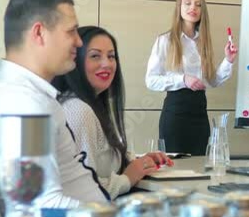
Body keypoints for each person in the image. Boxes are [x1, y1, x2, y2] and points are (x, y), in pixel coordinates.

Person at [0, 0, 108, 209]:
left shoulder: (20, 93)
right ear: (39, 33)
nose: (78, 41)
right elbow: (40, 206)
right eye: (71, 31)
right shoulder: (23, 105)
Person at [52, 26, 171, 199]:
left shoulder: (93, 105)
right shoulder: (78, 110)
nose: (107, 64)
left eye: (111, 56)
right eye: (95, 56)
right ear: (74, 62)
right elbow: (84, 192)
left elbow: (100, 165)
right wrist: (127, 179)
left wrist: (136, 163)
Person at [146, 0, 238, 155]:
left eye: (198, 5)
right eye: (187, 3)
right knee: (174, 169)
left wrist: (228, 60)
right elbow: (151, 80)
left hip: (199, 114)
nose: (193, 8)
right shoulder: (165, 40)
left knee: (201, 167)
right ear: (179, 8)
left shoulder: (202, 42)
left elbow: (211, 81)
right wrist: (183, 79)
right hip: (175, 114)